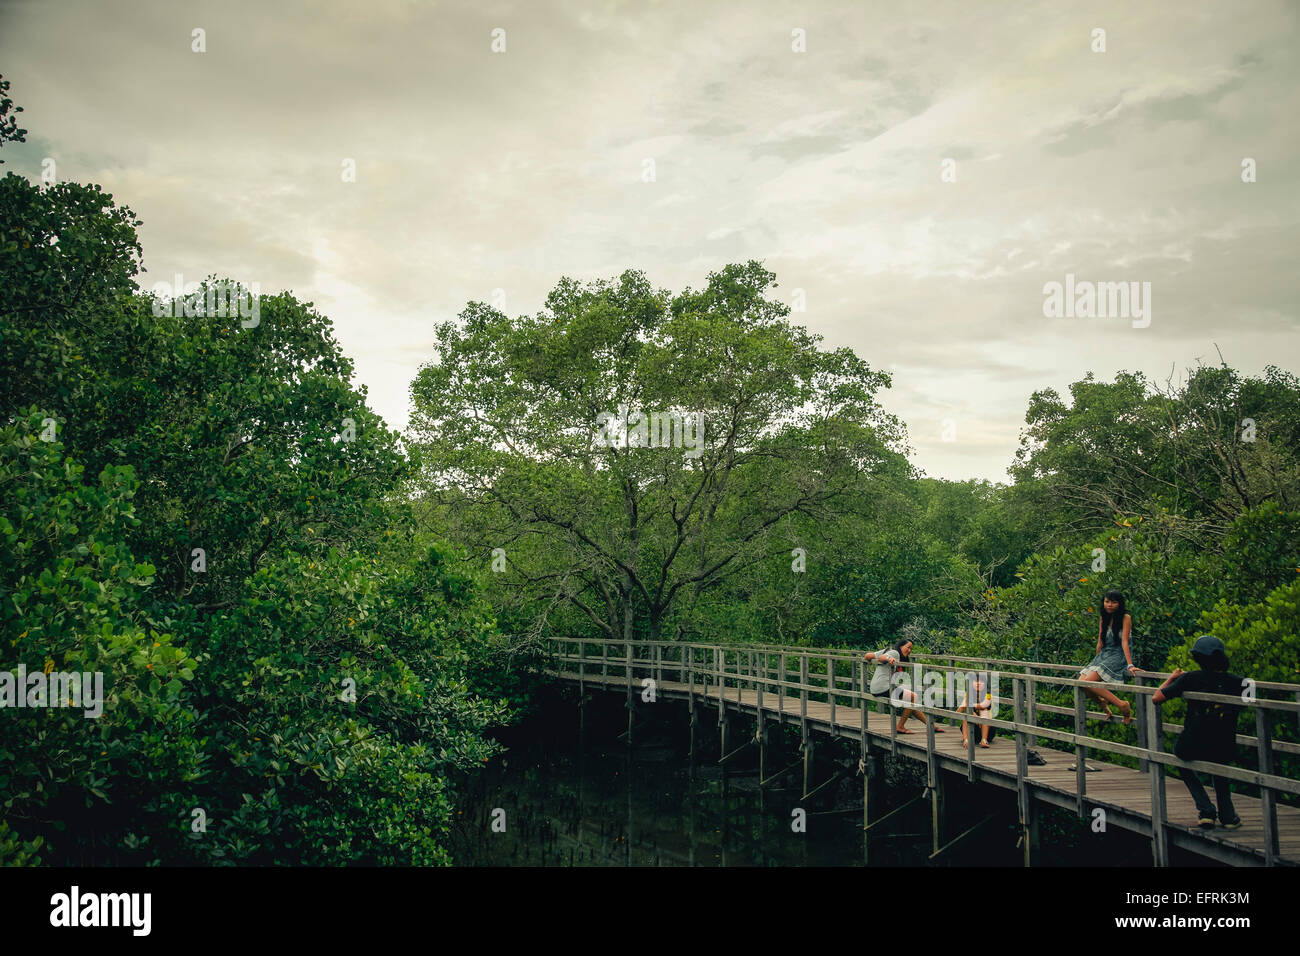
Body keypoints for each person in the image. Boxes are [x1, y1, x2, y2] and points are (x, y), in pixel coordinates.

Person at [1152, 635, 1244, 830]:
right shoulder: (1239, 682)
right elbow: (1253, 702)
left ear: (1198, 659)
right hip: (1225, 744)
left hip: (1193, 743)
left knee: (1180, 758)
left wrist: (1173, 678)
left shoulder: (1191, 678)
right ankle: (1227, 816)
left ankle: (1206, 810)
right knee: (1220, 768)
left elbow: (1156, 698)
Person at [1078, 589, 1137, 725]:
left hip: (1119, 654)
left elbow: (1125, 642)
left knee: (1088, 682)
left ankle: (1122, 705)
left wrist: (1130, 664)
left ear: (1119, 604)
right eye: (1107, 601)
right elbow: (1100, 640)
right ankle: (1103, 704)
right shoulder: (1103, 616)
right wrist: (1095, 662)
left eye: (1113, 602)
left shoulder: (1125, 617)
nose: (1109, 605)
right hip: (1105, 653)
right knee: (1081, 682)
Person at [863, 640, 942, 735]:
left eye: (911, 649)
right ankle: (900, 727)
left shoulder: (890, 651)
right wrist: (888, 658)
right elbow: (881, 657)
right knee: (912, 697)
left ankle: (930, 725)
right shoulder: (895, 653)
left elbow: (867, 656)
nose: (909, 650)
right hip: (883, 687)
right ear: (900, 646)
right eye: (907, 647)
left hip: (876, 688)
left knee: (911, 703)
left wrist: (885, 657)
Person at [957, 676, 996, 748]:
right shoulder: (968, 694)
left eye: (981, 682)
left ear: (985, 685)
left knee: (984, 711)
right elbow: (958, 712)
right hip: (973, 728)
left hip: (987, 729)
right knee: (967, 716)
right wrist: (964, 705)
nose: (978, 683)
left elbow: (983, 705)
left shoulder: (988, 695)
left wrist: (969, 705)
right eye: (976, 681)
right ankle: (966, 740)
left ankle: (984, 740)